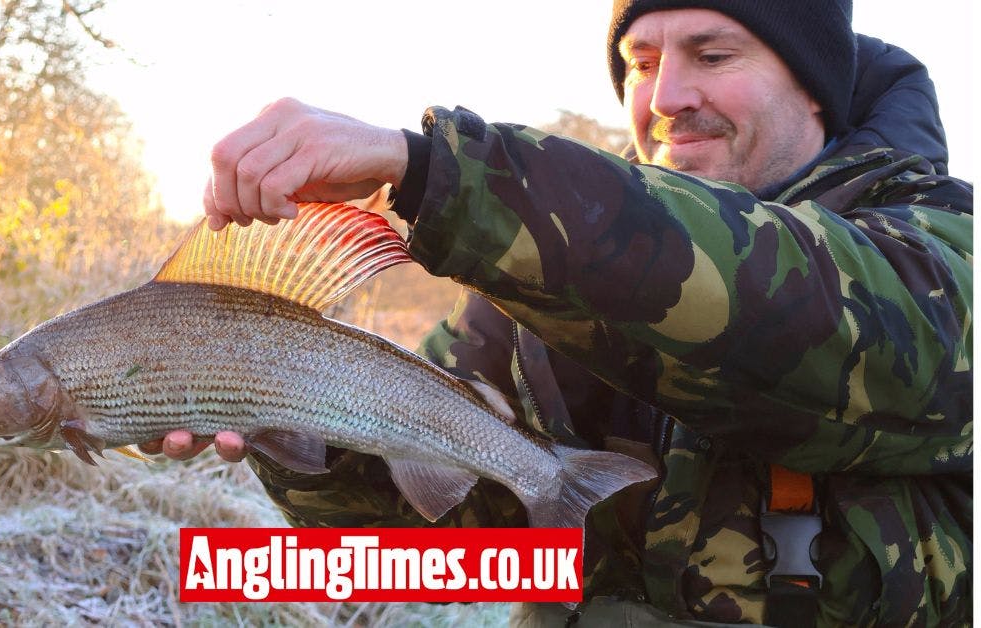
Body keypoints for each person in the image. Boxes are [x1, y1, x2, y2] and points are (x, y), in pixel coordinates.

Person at [141, 1, 972, 625]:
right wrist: (290, 425)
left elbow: (825, 325)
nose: (666, 95)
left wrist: (434, 171)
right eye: (640, 61)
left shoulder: (939, 243)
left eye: (712, 54)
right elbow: (433, 544)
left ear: (817, 87)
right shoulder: (542, 284)